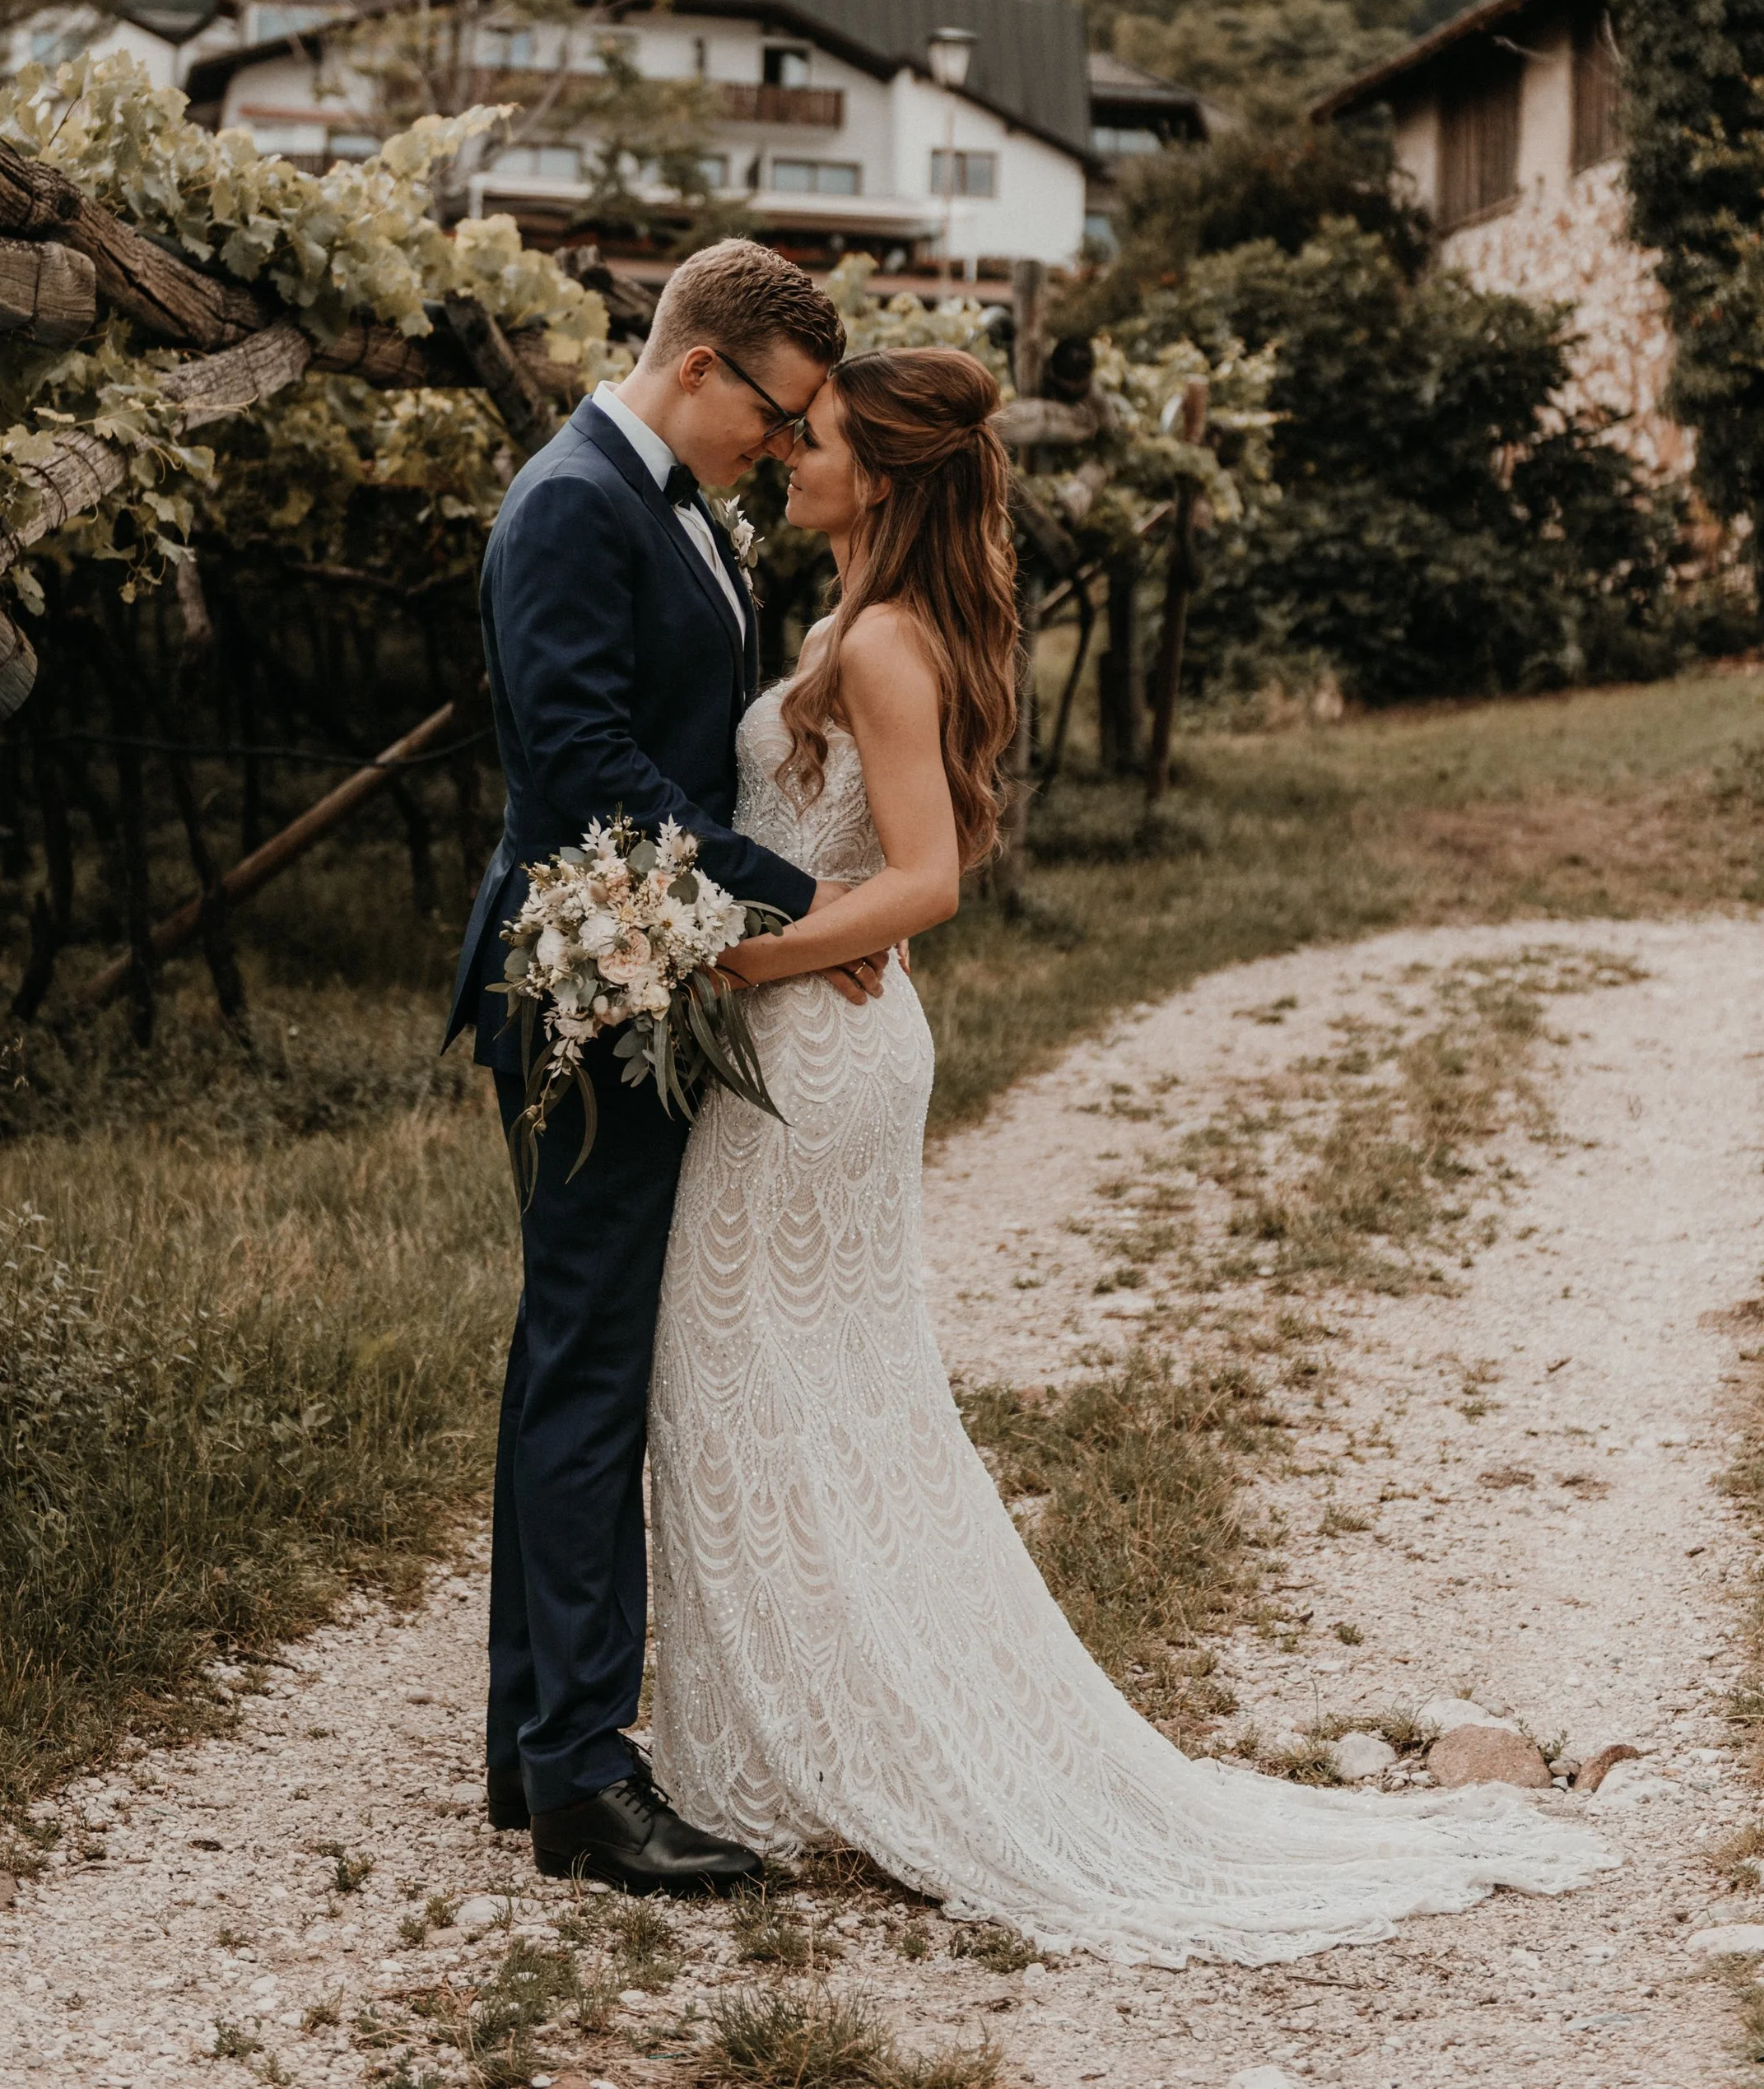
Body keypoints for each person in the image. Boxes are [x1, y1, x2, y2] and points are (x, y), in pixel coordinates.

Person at [646, 343, 1612, 1961]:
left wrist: (728, 955)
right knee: (782, 1392)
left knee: (768, 1381)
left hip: (815, 1054)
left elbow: (926, 881)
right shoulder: (843, 625)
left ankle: (839, 1743)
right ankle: (796, 1731)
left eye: (809, 440)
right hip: (804, 1040)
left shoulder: (879, 644)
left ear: (876, 474)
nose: (786, 455)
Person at [446, 239, 886, 1896]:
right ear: (699, 365)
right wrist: (804, 898)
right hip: (582, 980)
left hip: (642, 964)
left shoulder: (678, 508)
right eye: (772, 420)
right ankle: (578, 1776)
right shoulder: (572, 501)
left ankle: (532, 1745)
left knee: (580, 1350)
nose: (779, 455)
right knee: (590, 1362)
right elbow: (583, 769)